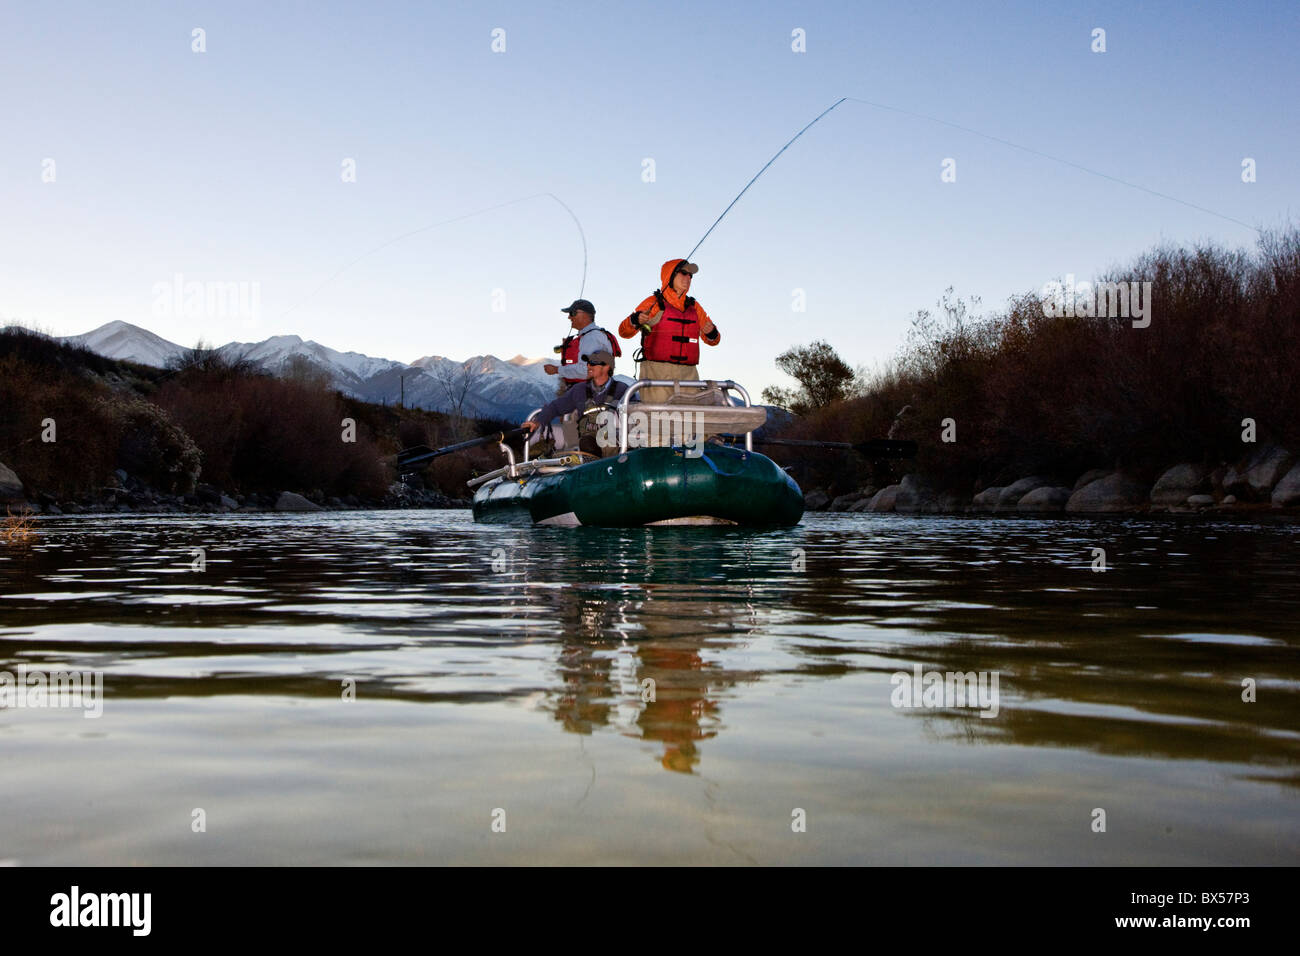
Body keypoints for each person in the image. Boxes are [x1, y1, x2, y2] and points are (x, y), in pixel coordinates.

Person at [618, 259, 720, 404]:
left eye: (691, 275)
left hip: (689, 376)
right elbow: (623, 332)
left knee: (688, 422)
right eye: (683, 273)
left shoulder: (695, 307)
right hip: (656, 373)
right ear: (670, 275)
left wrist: (712, 333)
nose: (688, 278)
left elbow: (714, 340)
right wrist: (635, 320)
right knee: (659, 421)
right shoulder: (653, 302)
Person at [522, 350, 630, 458]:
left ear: (607, 367)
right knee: (586, 442)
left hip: (615, 444)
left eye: (593, 363)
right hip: (588, 444)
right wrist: (538, 422)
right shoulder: (579, 390)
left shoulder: (623, 389)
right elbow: (555, 407)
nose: (588, 366)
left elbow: (635, 413)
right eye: (588, 363)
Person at [543, 299, 621, 397]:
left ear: (584, 315)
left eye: (572, 313)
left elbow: (586, 370)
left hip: (589, 394)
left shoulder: (591, 338)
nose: (569, 317)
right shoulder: (591, 336)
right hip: (590, 391)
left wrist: (556, 370)